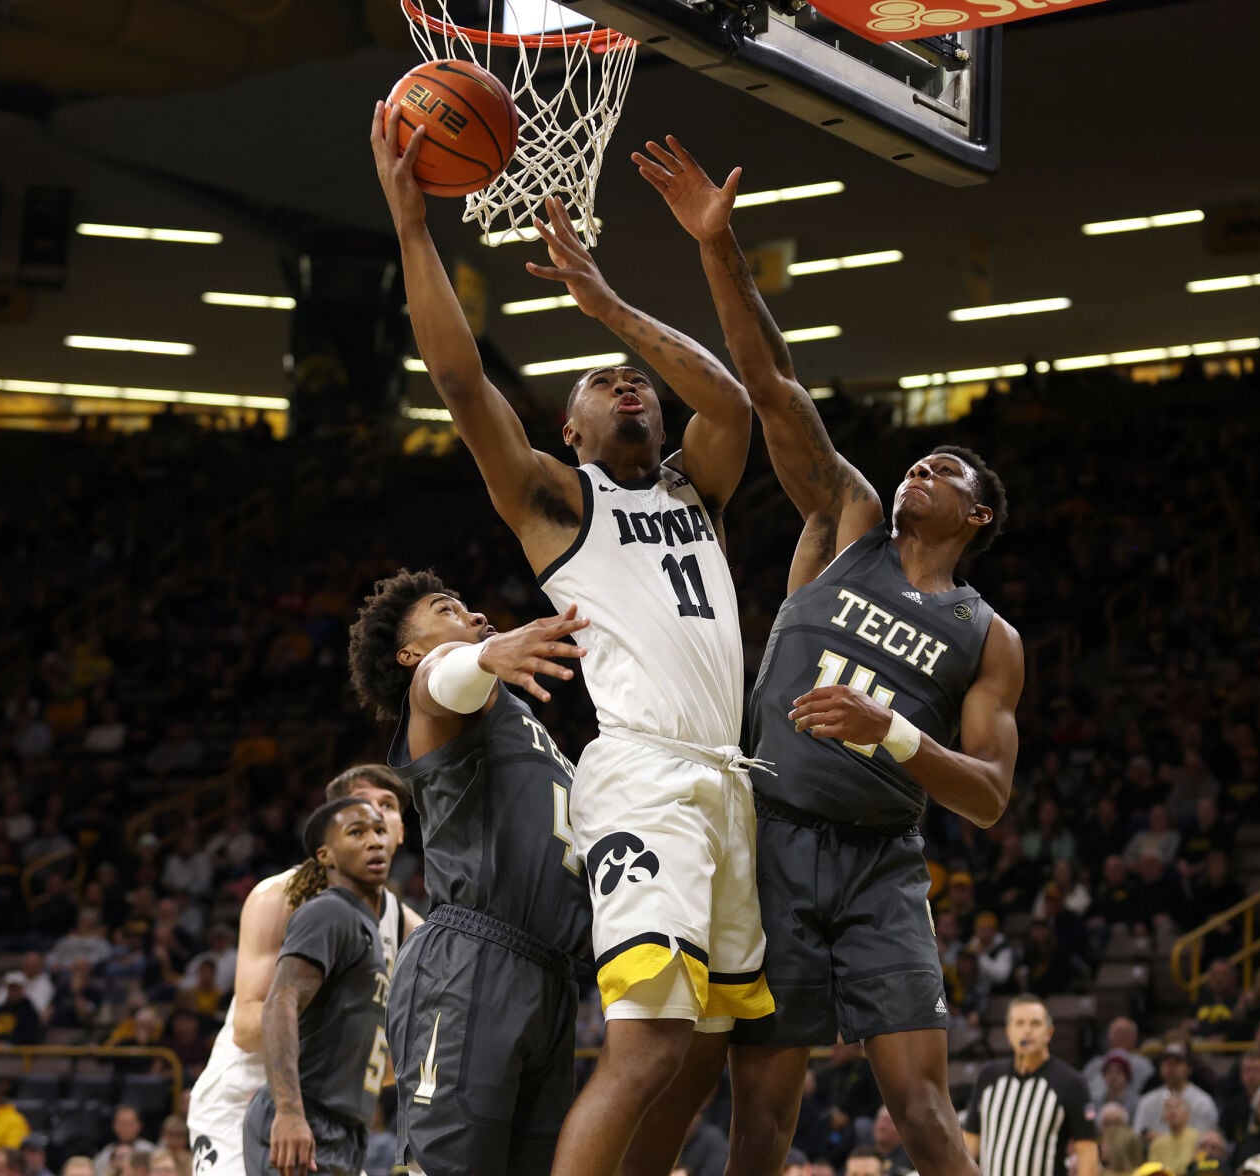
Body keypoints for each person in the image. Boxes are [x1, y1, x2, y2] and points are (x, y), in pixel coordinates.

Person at [371, 105, 766, 1176]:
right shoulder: (558, 503)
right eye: (598, 382)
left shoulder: (695, 488)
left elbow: (733, 402)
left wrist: (610, 305)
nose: (624, 381)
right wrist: (412, 225)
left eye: (633, 378)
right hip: (644, 776)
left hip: (724, 780)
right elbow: (461, 385)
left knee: (700, 1052)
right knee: (646, 1053)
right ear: (569, 432)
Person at [625, 135, 1022, 1176]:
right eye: (917, 461)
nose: (918, 470)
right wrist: (717, 246)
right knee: (760, 1114)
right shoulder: (847, 520)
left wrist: (890, 733)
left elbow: (988, 797)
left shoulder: (987, 636)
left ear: (976, 515)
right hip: (774, 839)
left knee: (921, 1106)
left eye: (943, 469)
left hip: (881, 860)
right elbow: (768, 382)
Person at [350, 572, 595, 1174]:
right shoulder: (438, 698)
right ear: (409, 652)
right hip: (471, 961)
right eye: (447, 609)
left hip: (554, 976)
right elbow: (440, 678)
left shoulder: (524, 727)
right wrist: (482, 655)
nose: (476, 615)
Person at [188, 766, 416, 1176]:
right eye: (361, 808)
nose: (375, 817)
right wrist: (333, 1018)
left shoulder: (409, 928)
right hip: (249, 1096)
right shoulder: (280, 896)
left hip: (331, 1114)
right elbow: (248, 1026)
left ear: (400, 830)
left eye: (387, 807)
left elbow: (389, 1057)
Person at [244, 798, 395, 1176]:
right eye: (356, 832)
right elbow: (280, 1001)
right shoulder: (329, 911)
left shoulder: (369, 927)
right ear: (325, 855)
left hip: (345, 1129)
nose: (374, 841)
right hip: (307, 1120)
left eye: (379, 830)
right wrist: (289, 1113)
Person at [961, 997, 1098, 1176]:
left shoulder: (1071, 1082)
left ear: (1049, 1032)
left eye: (1035, 1023)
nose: (1027, 1030)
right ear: (1008, 1032)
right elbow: (970, 1142)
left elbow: (1087, 1151)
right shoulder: (988, 1077)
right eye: (1020, 1023)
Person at [1137, 1044, 1222, 1139]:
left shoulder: (1203, 1102)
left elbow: (1207, 1139)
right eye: (1166, 1062)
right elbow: (1139, 1133)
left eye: (1177, 1062)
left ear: (1189, 1068)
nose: (1171, 1067)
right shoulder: (1147, 1101)